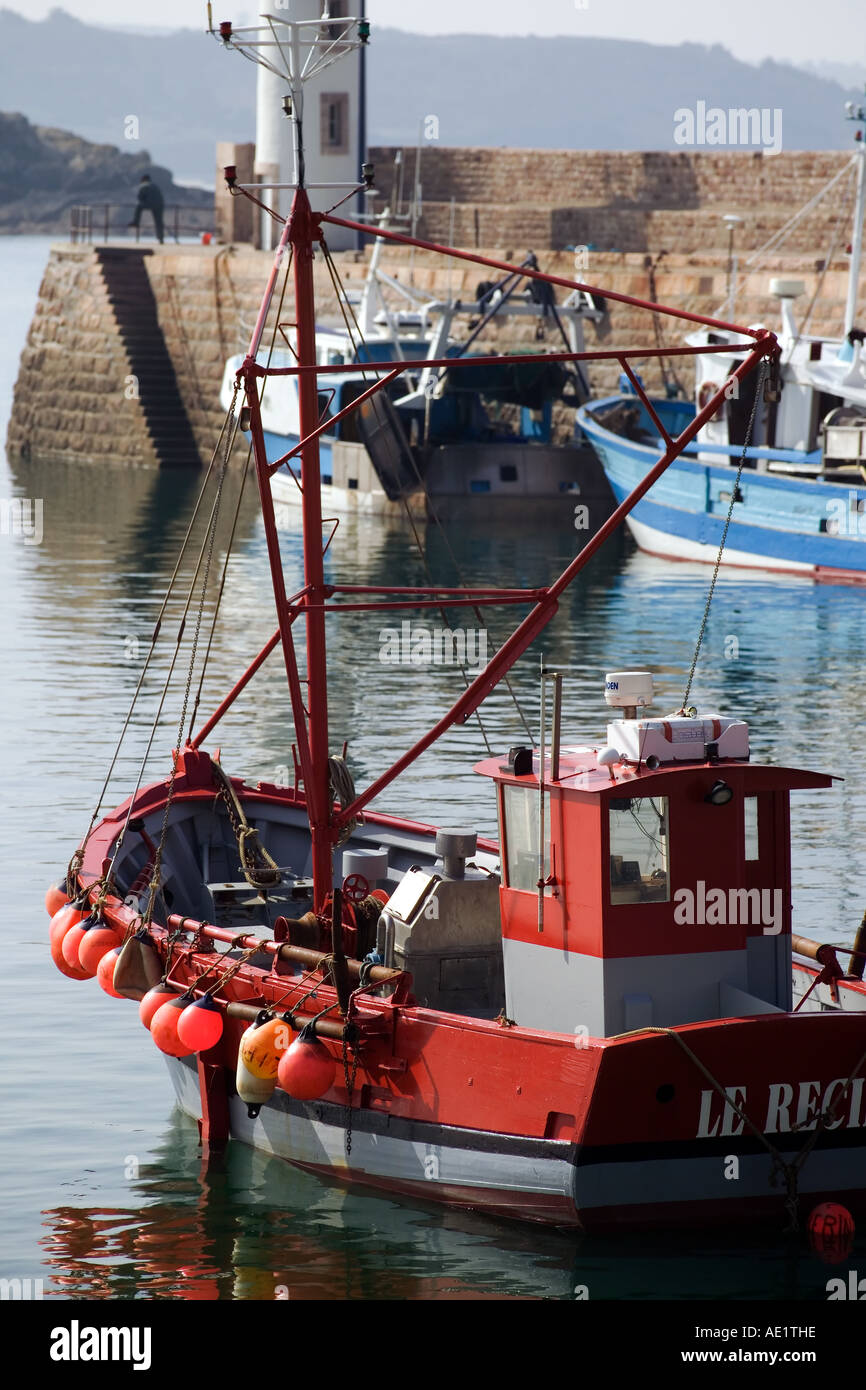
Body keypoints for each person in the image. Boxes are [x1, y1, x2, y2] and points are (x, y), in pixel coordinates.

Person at [128, 175, 165, 243]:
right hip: (160, 205)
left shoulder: (143, 185)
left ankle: (136, 222)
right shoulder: (155, 186)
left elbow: (140, 197)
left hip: (149, 204)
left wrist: (144, 201)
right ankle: (161, 238)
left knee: (138, 207)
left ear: (143, 180)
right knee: (159, 222)